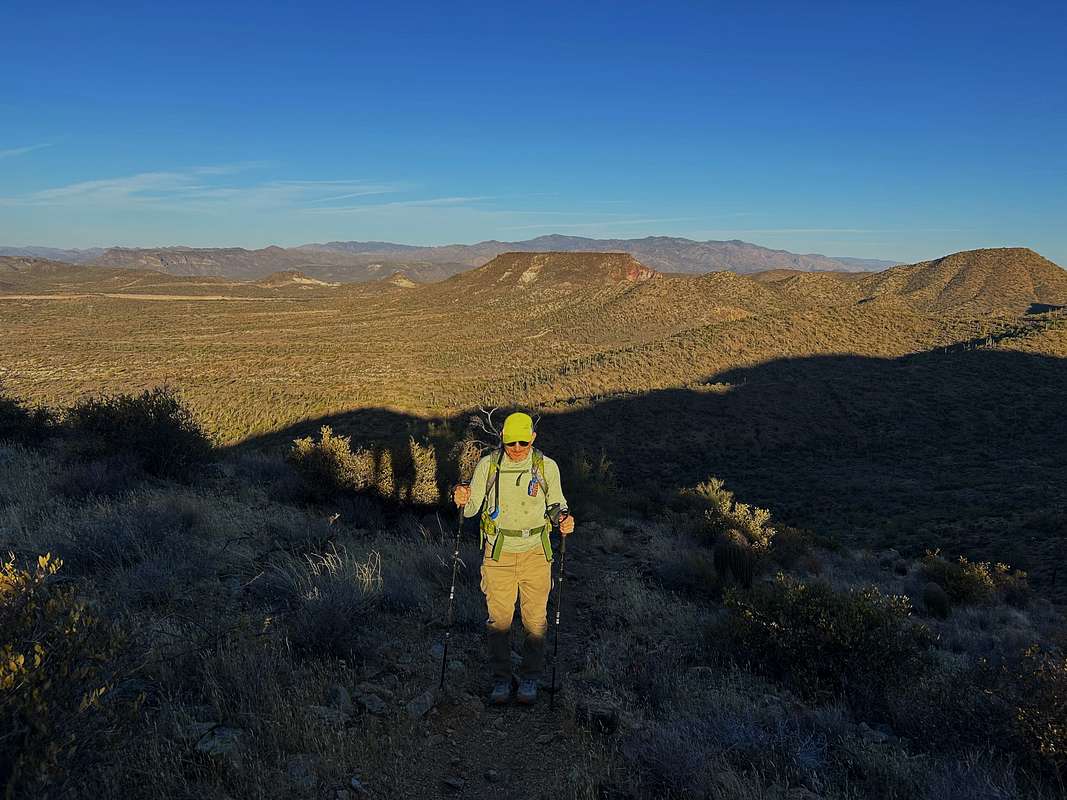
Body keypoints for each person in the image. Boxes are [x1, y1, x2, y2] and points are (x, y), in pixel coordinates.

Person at [453, 411, 576, 705]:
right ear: (502, 440)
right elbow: (470, 510)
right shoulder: (488, 465)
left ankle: (530, 678)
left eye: (523, 441)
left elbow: (556, 504)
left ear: (533, 437)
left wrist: (563, 519)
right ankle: (501, 680)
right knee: (499, 622)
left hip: (536, 553)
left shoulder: (547, 467)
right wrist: (462, 497)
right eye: (511, 443)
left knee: (535, 622)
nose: (518, 448)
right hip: (498, 554)